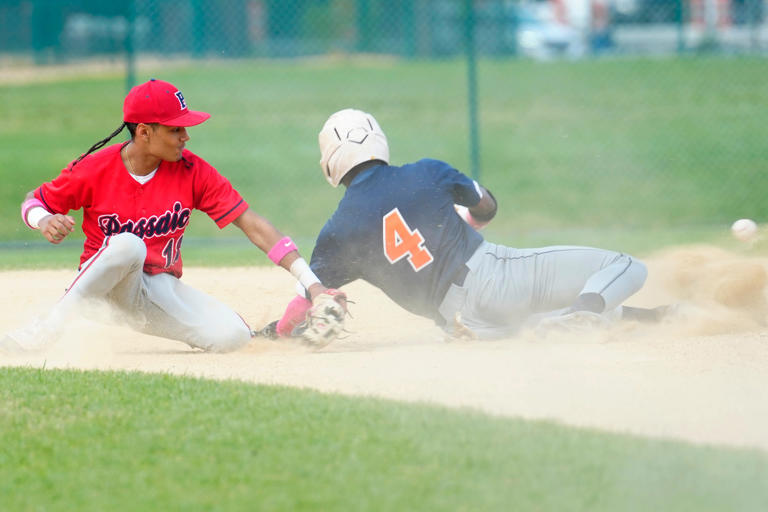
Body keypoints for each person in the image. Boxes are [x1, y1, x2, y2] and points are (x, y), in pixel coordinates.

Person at [265, 108, 666, 341]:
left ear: (330, 163)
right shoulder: (427, 172)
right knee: (628, 266)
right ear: (378, 141)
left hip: (460, 324)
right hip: (494, 276)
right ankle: (587, 315)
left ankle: (658, 317)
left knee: (547, 318)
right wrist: (469, 217)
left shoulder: (338, 231)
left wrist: (276, 333)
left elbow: (305, 300)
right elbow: (487, 206)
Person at [2, 78, 338, 354]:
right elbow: (35, 201)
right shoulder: (95, 169)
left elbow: (252, 225)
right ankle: (45, 328)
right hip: (103, 286)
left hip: (155, 292)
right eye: (175, 129)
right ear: (144, 132)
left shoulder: (193, 171)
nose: (185, 136)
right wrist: (42, 220)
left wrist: (313, 285)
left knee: (233, 337)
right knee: (129, 246)